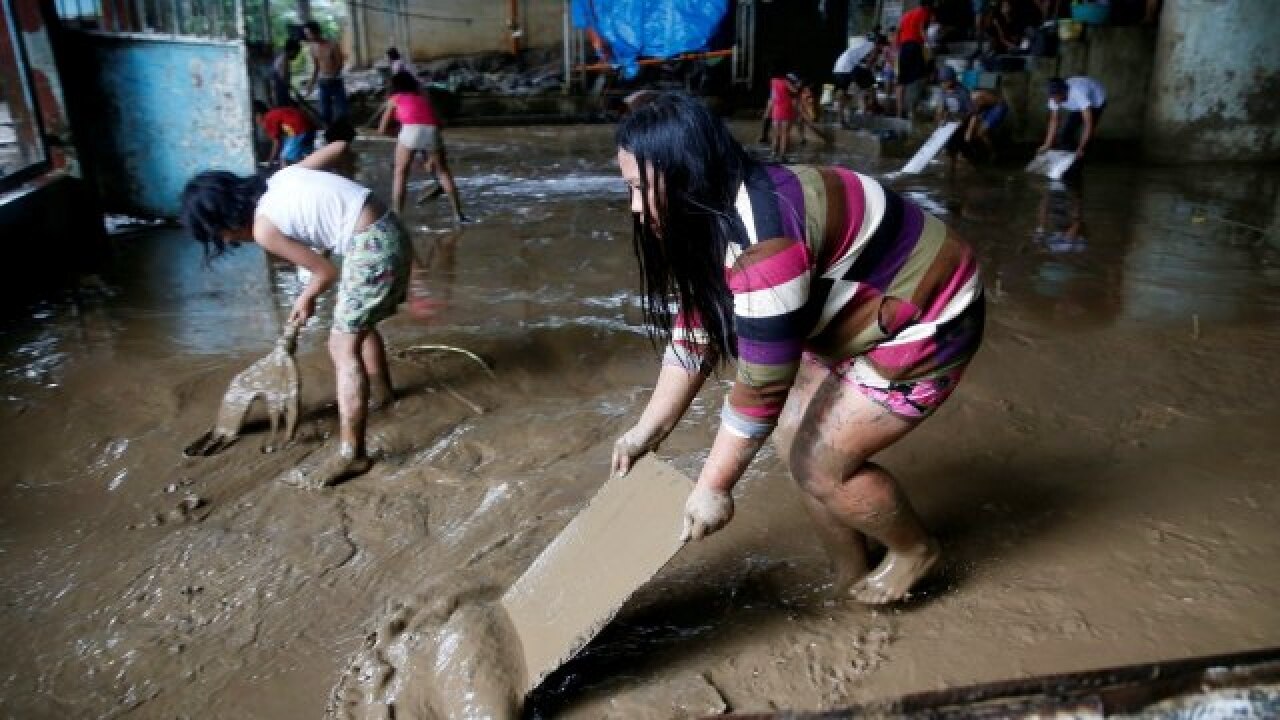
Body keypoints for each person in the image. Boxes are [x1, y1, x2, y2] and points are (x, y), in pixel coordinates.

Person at [611, 92, 985, 604]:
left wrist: (714, 487)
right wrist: (647, 431)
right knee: (794, 442)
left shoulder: (765, 245)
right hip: (852, 306)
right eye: (628, 188)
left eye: (640, 189)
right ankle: (849, 568)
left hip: (930, 312)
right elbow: (697, 329)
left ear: (686, 176)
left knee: (819, 465)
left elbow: (760, 388)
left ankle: (914, 550)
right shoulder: (715, 213)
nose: (635, 208)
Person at [179, 141, 412, 489]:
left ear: (225, 223)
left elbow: (325, 273)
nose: (228, 240)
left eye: (221, 236)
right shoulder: (284, 177)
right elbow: (339, 147)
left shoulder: (264, 230)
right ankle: (383, 395)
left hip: (371, 248)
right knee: (358, 325)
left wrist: (306, 297)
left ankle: (353, 453)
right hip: (388, 228)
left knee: (341, 346)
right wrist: (339, 206)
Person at [378, 71, 468, 223]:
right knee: (443, 172)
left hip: (409, 131)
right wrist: (428, 155)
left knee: (400, 173)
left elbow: (382, 129)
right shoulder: (423, 99)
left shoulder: (395, 99)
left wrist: (399, 135)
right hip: (432, 130)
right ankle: (458, 214)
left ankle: (397, 215)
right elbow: (440, 124)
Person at [1039, 76, 1106, 159]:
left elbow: (1088, 124)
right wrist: (1047, 144)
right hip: (1078, 103)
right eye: (1051, 96)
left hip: (1096, 101)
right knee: (1065, 136)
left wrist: (1081, 147)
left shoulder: (1078, 94)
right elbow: (1054, 121)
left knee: (1087, 135)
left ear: (1063, 92)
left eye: (1055, 96)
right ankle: (1069, 159)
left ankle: (1081, 155)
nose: (1053, 99)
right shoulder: (1054, 97)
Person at [895, 0, 935, 119]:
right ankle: (912, 110)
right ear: (928, 5)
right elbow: (921, 29)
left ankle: (899, 112)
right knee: (921, 76)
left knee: (901, 82)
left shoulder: (906, 15)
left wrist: (897, 47)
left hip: (903, 48)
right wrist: (929, 45)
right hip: (915, 46)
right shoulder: (924, 11)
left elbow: (898, 31)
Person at [303, 21, 348, 125]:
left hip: (336, 82)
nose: (308, 37)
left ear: (317, 32)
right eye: (306, 34)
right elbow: (316, 67)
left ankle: (344, 131)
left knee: (343, 111)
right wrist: (310, 84)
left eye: (309, 34)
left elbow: (340, 64)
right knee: (325, 112)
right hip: (323, 83)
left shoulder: (332, 45)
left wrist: (332, 76)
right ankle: (328, 131)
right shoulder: (312, 48)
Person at [254, 100, 315, 167]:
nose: (255, 122)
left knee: (285, 158)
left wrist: (270, 160)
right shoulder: (273, 113)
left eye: (254, 118)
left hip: (298, 130)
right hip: (307, 127)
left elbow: (276, 143)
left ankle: (290, 172)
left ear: (259, 115)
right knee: (307, 154)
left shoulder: (268, 119)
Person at [762, 72, 799, 159]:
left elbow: (772, 97)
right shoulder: (786, 82)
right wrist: (796, 85)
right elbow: (795, 91)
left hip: (776, 109)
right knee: (784, 134)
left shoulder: (773, 82)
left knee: (775, 133)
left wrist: (768, 111)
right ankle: (782, 155)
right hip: (786, 109)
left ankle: (773, 153)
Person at [272, 38, 301, 108]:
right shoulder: (285, 59)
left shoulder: (281, 56)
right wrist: (292, 89)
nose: (296, 55)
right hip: (280, 91)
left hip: (279, 90)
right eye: (296, 52)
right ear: (292, 50)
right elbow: (283, 78)